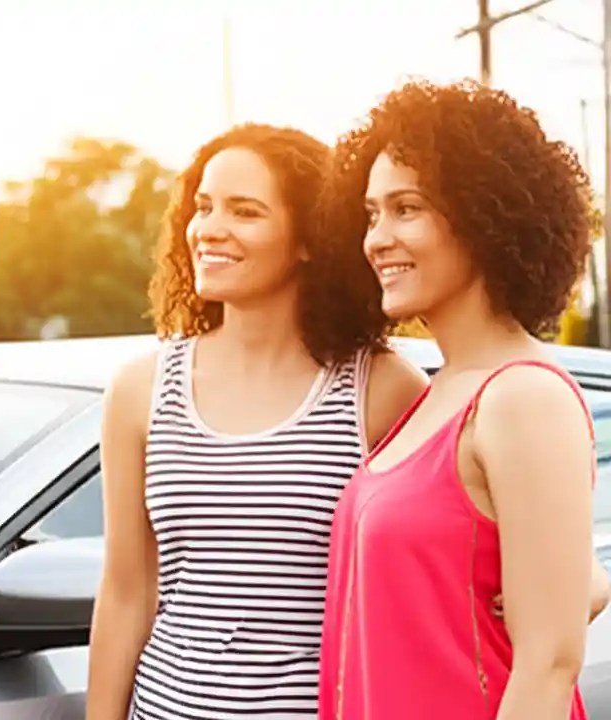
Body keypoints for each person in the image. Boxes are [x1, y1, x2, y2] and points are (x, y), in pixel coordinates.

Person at [86, 123, 430, 719]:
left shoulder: (383, 391)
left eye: (244, 212)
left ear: (308, 239)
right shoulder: (141, 390)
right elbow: (125, 593)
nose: (209, 229)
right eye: (204, 207)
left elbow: (438, 577)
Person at [317, 79, 599, 719]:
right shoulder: (437, 392)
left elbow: (549, 668)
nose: (376, 238)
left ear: (483, 216)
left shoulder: (523, 396)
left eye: (406, 208)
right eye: (371, 213)